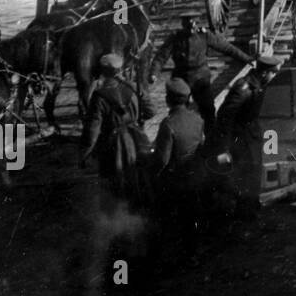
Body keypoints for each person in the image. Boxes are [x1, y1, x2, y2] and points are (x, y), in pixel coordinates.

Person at [150, 14, 256, 138]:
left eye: (193, 24)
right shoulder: (175, 38)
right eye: (188, 24)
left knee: (208, 111)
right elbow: (161, 57)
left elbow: (227, 48)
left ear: (197, 24)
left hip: (200, 79)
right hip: (181, 79)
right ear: (183, 24)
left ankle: (210, 139)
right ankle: (182, 139)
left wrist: (247, 58)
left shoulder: (204, 35)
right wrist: (154, 73)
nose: (191, 28)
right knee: (178, 112)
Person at [80, 53, 156, 211]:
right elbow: (151, 111)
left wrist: (84, 154)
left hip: (114, 144)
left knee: (115, 183)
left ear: (102, 71)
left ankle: (118, 219)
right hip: (136, 139)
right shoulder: (133, 88)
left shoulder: (99, 96)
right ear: (120, 69)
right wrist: (135, 117)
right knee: (138, 178)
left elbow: (92, 132)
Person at [215, 54, 284, 220]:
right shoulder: (243, 88)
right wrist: (224, 148)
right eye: (272, 73)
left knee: (254, 171)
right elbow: (224, 117)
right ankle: (245, 213)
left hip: (251, 133)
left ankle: (252, 206)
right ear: (263, 73)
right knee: (245, 174)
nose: (274, 76)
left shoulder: (259, 83)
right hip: (240, 138)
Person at [150, 77, 205, 237]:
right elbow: (201, 145)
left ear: (168, 100)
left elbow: (162, 160)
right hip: (194, 176)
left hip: (176, 180)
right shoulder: (198, 119)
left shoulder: (168, 124)